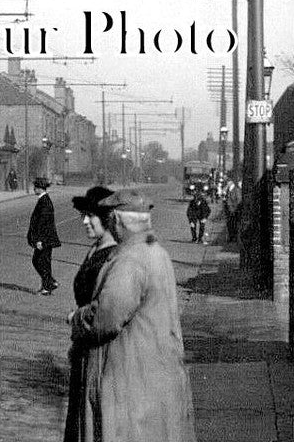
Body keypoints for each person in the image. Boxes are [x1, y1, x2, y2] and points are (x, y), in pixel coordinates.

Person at [68, 189, 197, 442]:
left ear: (116, 220)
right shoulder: (156, 253)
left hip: (130, 382)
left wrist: (76, 318)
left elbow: (105, 318)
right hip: (153, 376)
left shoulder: (129, 261)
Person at [63, 186, 120, 442]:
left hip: (102, 357)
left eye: (90, 216)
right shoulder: (96, 250)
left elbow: (106, 311)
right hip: (85, 351)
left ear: (106, 218)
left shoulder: (112, 256)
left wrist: (77, 318)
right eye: (83, 215)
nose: (85, 221)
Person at [27, 175, 61, 295]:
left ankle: (48, 284)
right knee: (42, 262)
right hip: (46, 238)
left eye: (35, 187)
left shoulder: (44, 202)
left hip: (45, 239)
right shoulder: (44, 200)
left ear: (40, 188)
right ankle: (48, 284)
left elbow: (43, 223)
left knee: (39, 261)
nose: (34, 189)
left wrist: (39, 240)